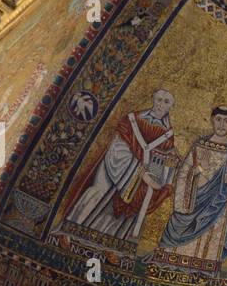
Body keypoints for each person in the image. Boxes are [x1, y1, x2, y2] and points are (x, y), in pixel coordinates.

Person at [56, 89, 178, 248]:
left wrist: (154, 178)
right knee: (98, 192)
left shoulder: (168, 134)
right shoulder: (133, 120)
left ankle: (110, 246)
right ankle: (69, 232)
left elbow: (161, 159)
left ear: (171, 107)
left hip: (140, 177)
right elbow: (117, 146)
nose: (161, 105)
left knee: (137, 202)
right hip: (115, 166)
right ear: (153, 99)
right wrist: (137, 172)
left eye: (166, 102)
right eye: (159, 100)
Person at [153, 107, 227, 273]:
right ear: (212, 119)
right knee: (181, 224)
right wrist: (198, 170)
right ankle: (170, 264)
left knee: (211, 239)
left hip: (218, 206)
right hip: (193, 200)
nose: (221, 124)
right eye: (218, 119)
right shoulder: (199, 145)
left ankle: (203, 270)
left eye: (226, 121)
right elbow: (183, 172)